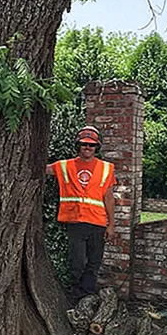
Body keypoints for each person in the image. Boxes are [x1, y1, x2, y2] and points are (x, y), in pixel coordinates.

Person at [46, 125, 116, 302]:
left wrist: (112, 225)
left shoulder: (106, 168)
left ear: (96, 147)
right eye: (84, 144)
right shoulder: (64, 166)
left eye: (91, 145)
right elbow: (41, 168)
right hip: (76, 223)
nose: (87, 147)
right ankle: (76, 294)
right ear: (78, 145)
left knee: (93, 263)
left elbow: (109, 198)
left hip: (98, 223)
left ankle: (87, 297)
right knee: (77, 263)